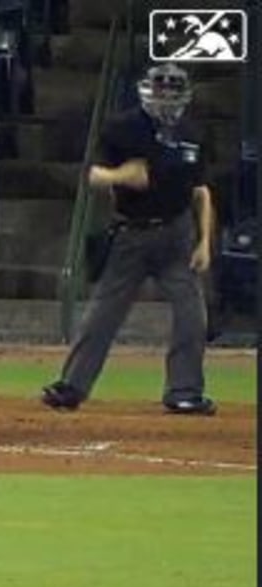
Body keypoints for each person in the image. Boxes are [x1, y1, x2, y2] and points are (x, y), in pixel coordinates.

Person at [42, 63, 217, 415]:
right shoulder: (123, 127)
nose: (166, 95)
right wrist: (123, 174)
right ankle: (72, 386)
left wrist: (204, 242)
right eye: (160, 87)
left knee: (192, 315)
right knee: (103, 313)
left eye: (172, 89)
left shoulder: (192, 132)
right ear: (146, 89)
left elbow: (201, 192)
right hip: (132, 233)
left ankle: (184, 392)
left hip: (177, 233)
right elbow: (93, 175)